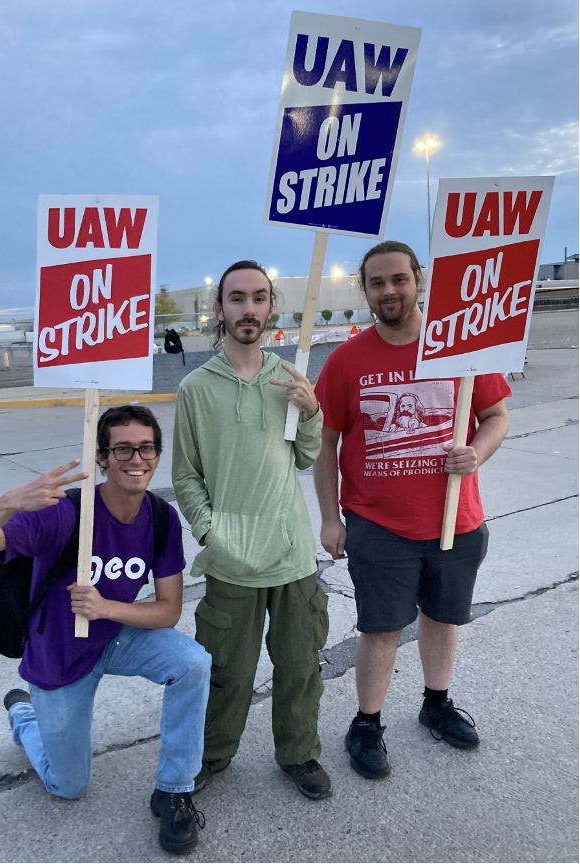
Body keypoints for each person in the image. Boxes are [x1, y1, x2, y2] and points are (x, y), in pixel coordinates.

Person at [0, 405, 211, 854]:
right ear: (102, 457)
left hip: (116, 637)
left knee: (193, 663)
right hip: (59, 656)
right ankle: (25, 717)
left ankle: (174, 790)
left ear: (157, 454)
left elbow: (168, 612)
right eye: (122, 449)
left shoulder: (161, 518)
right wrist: (9, 501)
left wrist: (106, 606)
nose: (136, 459)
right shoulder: (64, 513)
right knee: (68, 786)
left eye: (146, 448)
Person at [313, 240, 511, 779]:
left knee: (442, 618)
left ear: (418, 279)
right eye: (377, 283)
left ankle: (436, 705)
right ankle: (367, 723)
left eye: (398, 279)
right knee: (379, 628)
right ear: (366, 290)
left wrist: (477, 453)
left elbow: (495, 416)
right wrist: (331, 517)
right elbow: (326, 443)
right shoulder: (347, 359)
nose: (389, 291)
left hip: (456, 517)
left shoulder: (463, 346)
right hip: (378, 524)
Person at [172, 260, 332, 801]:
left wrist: (312, 413)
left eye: (259, 298)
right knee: (227, 669)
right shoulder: (197, 387)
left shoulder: (288, 379)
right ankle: (214, 751)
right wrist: (209, 531)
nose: (248, 308)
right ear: (219, 309)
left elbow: (306, 457)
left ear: (270, 308)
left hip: (291, 552)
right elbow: (186, 474)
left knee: (299, 664)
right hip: (231, 557)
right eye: (236, 298)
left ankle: (300, 753)